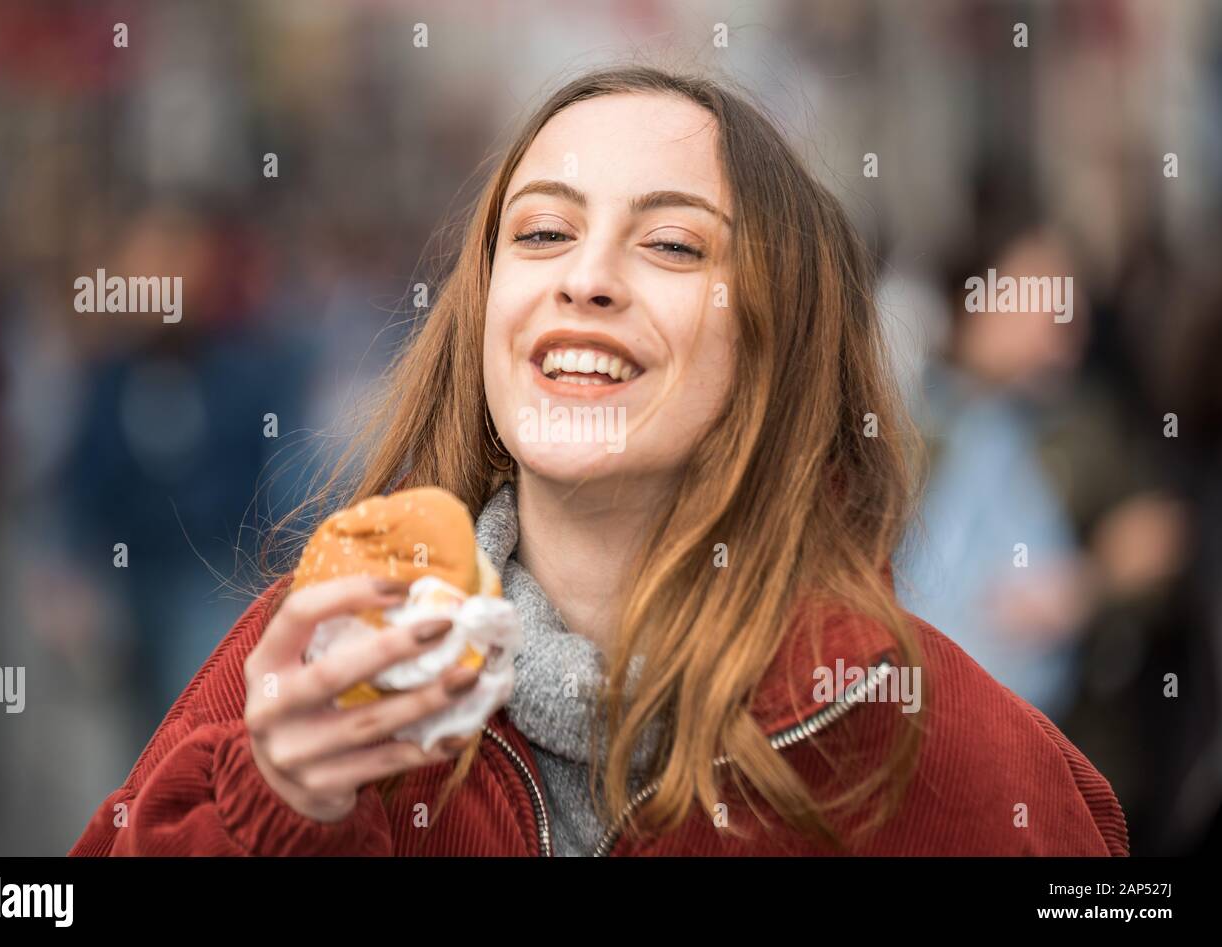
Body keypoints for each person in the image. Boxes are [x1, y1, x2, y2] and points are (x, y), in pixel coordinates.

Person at [69, 65, 1127, 857]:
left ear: (772, 341)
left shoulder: (926, 737)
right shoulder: (319, 669)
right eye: (539, 234)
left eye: (671, 244)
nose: (586, 279)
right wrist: (272, 814)